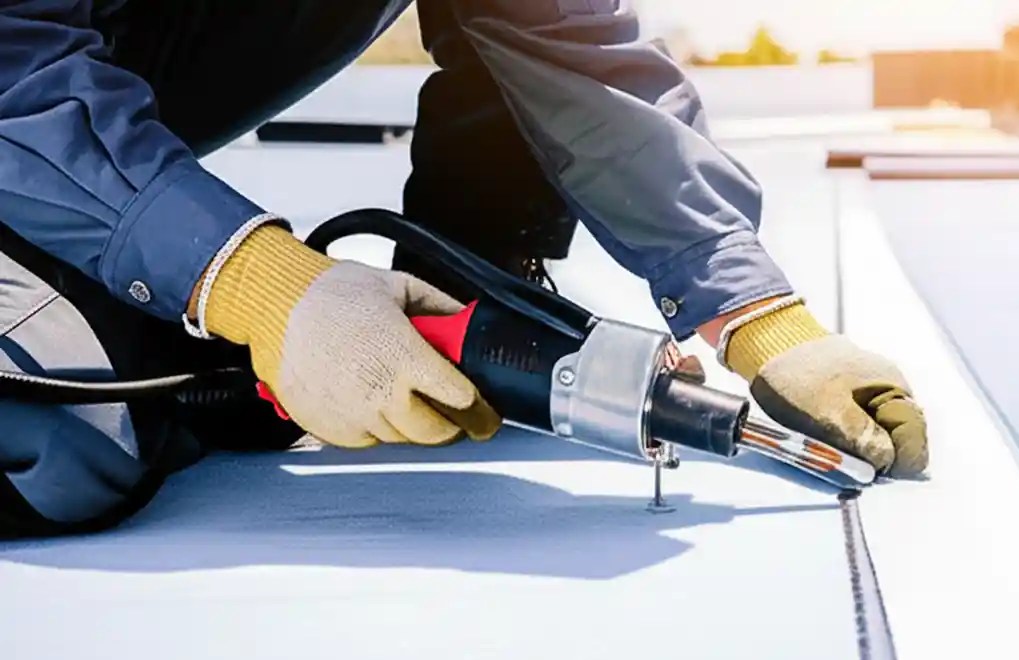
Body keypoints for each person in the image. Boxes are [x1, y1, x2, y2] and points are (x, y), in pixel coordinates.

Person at [0, 0, 928, 537]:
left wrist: (756, 313)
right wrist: (253, 282)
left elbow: (561, 39)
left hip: (78, 146)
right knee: (79, 428)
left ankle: (470, 300)